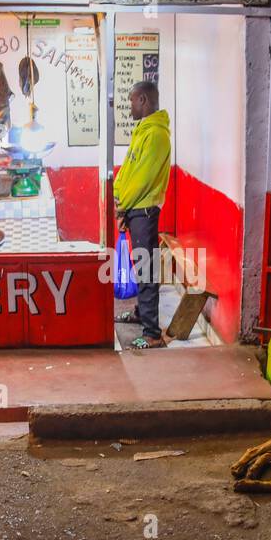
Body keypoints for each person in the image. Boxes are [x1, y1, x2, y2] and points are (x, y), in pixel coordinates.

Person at [113, 80, 171, 350]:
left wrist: (123, 205)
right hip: (134, 208)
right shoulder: (143, 132)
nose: (129, 107)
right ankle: (141, 313)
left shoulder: (157, 135)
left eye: (132, 101)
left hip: (143, 210)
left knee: (147, 269)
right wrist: (118, 199)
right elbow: (128, 170)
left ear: (144, 100)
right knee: (141, 265)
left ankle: (152, 332)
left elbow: (143, 179)